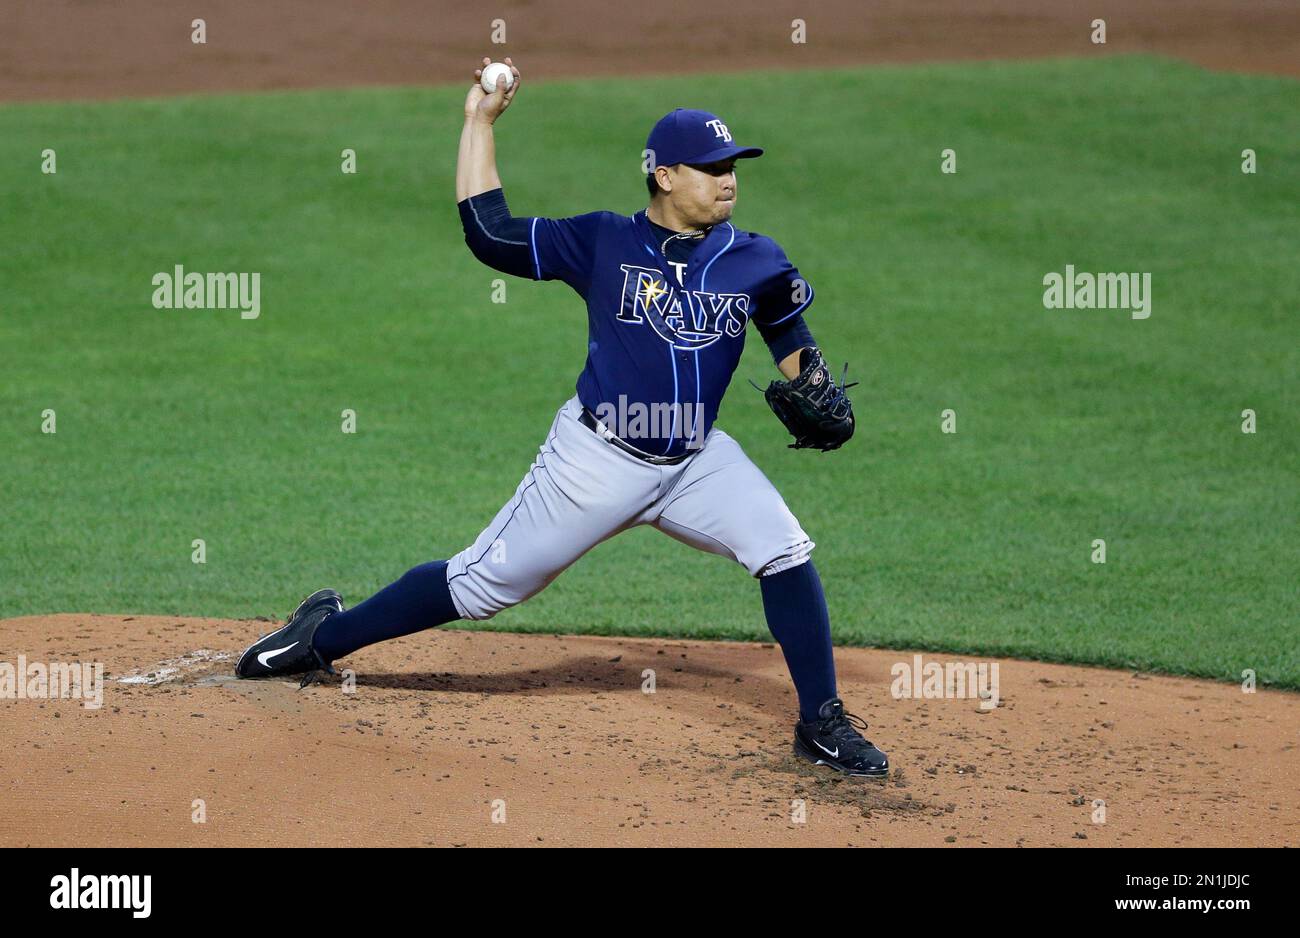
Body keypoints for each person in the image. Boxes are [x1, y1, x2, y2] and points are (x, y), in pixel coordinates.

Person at [235, 57, 888, 777]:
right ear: (664, 175)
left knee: (784, 548)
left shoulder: (757, 259)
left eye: (732, 164)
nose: (728, 178)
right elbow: (490, 232)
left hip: (699, 461)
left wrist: (818, 389)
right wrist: (478, 124)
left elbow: (791, 341)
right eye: (710, 167)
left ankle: (821, 722)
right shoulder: (603, 239)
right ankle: (322, 638)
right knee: (480, 586)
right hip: (596, 462)